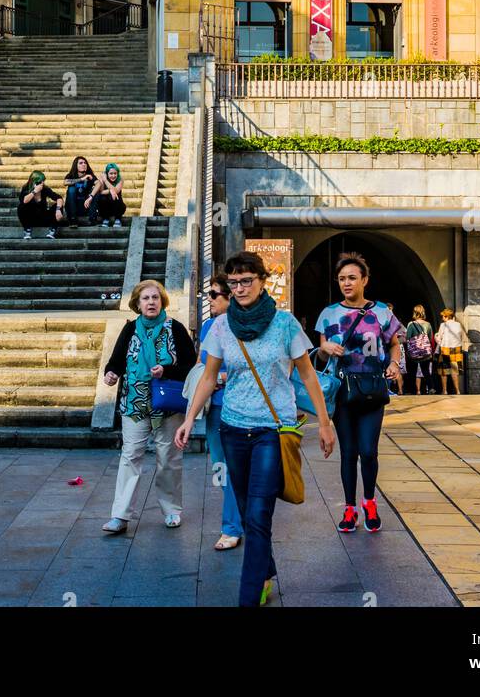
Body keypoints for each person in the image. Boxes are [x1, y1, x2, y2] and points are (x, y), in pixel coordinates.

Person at [176, 250, 336, 608]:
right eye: (233, 282)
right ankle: (265, 572)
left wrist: (325, 423)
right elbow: (208, 375)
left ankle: (248, 598)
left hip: (272, 430)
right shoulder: (221, 326)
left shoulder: (285, 324)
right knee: (249, 512)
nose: (239, 288)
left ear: (263, 281)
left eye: (246, 280)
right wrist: (190, 418)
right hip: (233, 428)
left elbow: (308, 375)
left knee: (259, 513)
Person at [316, 253, 403, 534]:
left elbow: (394, 343)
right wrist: (325, 348)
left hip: (372, 390)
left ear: (364, 280)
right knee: (348, 452)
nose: (346, 283)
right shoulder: (329, 313)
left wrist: (393, 363)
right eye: (342, 279)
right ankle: (349, 508)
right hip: (342, 390)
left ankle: (370, 502)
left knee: (368, 451)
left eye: (352, 278)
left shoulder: (381, 312)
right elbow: (320, 352)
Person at [101, 279, 196, 535]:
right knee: (130, 456)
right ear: (137, 303)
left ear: (162, 301)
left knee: (168, 458)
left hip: (167, 403)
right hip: (134, 402)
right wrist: (110, 374)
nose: (151, 302)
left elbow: (192, 365)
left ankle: (172, 510)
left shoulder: (174, 328)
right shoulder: (130, 329)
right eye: (146, 298)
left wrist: (167, 370)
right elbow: (116, 362)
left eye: (155, 297)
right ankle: (120, 515)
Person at [199, 272, 243, 551]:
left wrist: (222, 378)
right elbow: (201, 366)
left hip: (239, 407)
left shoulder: (243, 327)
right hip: (213, 407)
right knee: (220, 468)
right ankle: (236, 520)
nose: (210, 300)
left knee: (236, 469)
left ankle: (231, 526)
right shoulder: (207, 326)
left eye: (215, 295)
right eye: (208, 294)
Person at [17, 171, 66, 239]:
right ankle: (27, 230)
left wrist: (58, 210)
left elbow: (59, 198)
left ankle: (52, 230)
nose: (42, 183)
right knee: (21, 206)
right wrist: (34, 192)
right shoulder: (26, 188)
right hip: (31, 219)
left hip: (43, 217)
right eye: (40, 181)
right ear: (34, 182)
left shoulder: (45, 189)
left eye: (43, 181)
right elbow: (24, 201)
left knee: (58, 205)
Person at [434, 308, 469, 393]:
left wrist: (436, 336)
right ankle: (457, 390)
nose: (442, 318)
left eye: (443, 316)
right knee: (455, 371)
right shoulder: (458, 325)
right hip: (457, 350)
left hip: (445, 349)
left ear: (446, 316)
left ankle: (444, 390)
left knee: (444, 371)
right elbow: (460, 337)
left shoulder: (443, 325)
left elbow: (439, 339)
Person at [405, 304, 434, 395]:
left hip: (414, 352)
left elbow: (408, 338)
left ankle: (413, 390)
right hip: (425, 352)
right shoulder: (428, 324)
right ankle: (431, 388)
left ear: (415, 313)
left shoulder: (411, 324)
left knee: (412, 371)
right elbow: (430, 338)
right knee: (426, 371)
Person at [85, 163, 126, 227]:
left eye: (115, 173)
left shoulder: (120, 179)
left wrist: (106, 180)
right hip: (106, 207)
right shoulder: (102, 178)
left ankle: (118, 219)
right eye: (111, 173)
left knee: (115, 196)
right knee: (102, 198)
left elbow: (116, 190)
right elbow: (101, 192)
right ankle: (105, 219)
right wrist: (110, 191)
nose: (113, 175)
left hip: (117, 206)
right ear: (107, 173)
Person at [63, 155, 96, 225]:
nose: (84, 164)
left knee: (94, 190)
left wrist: (91, 196)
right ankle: (73, 219)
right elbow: (65, 182)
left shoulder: (90, 175)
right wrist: (82, 179)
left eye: (85, 163)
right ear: (76, 165)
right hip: (73, 207)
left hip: (85, 206)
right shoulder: (71, 175)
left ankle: (92, 218)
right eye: (81, 163)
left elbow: (99, 184)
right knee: (71, 189)